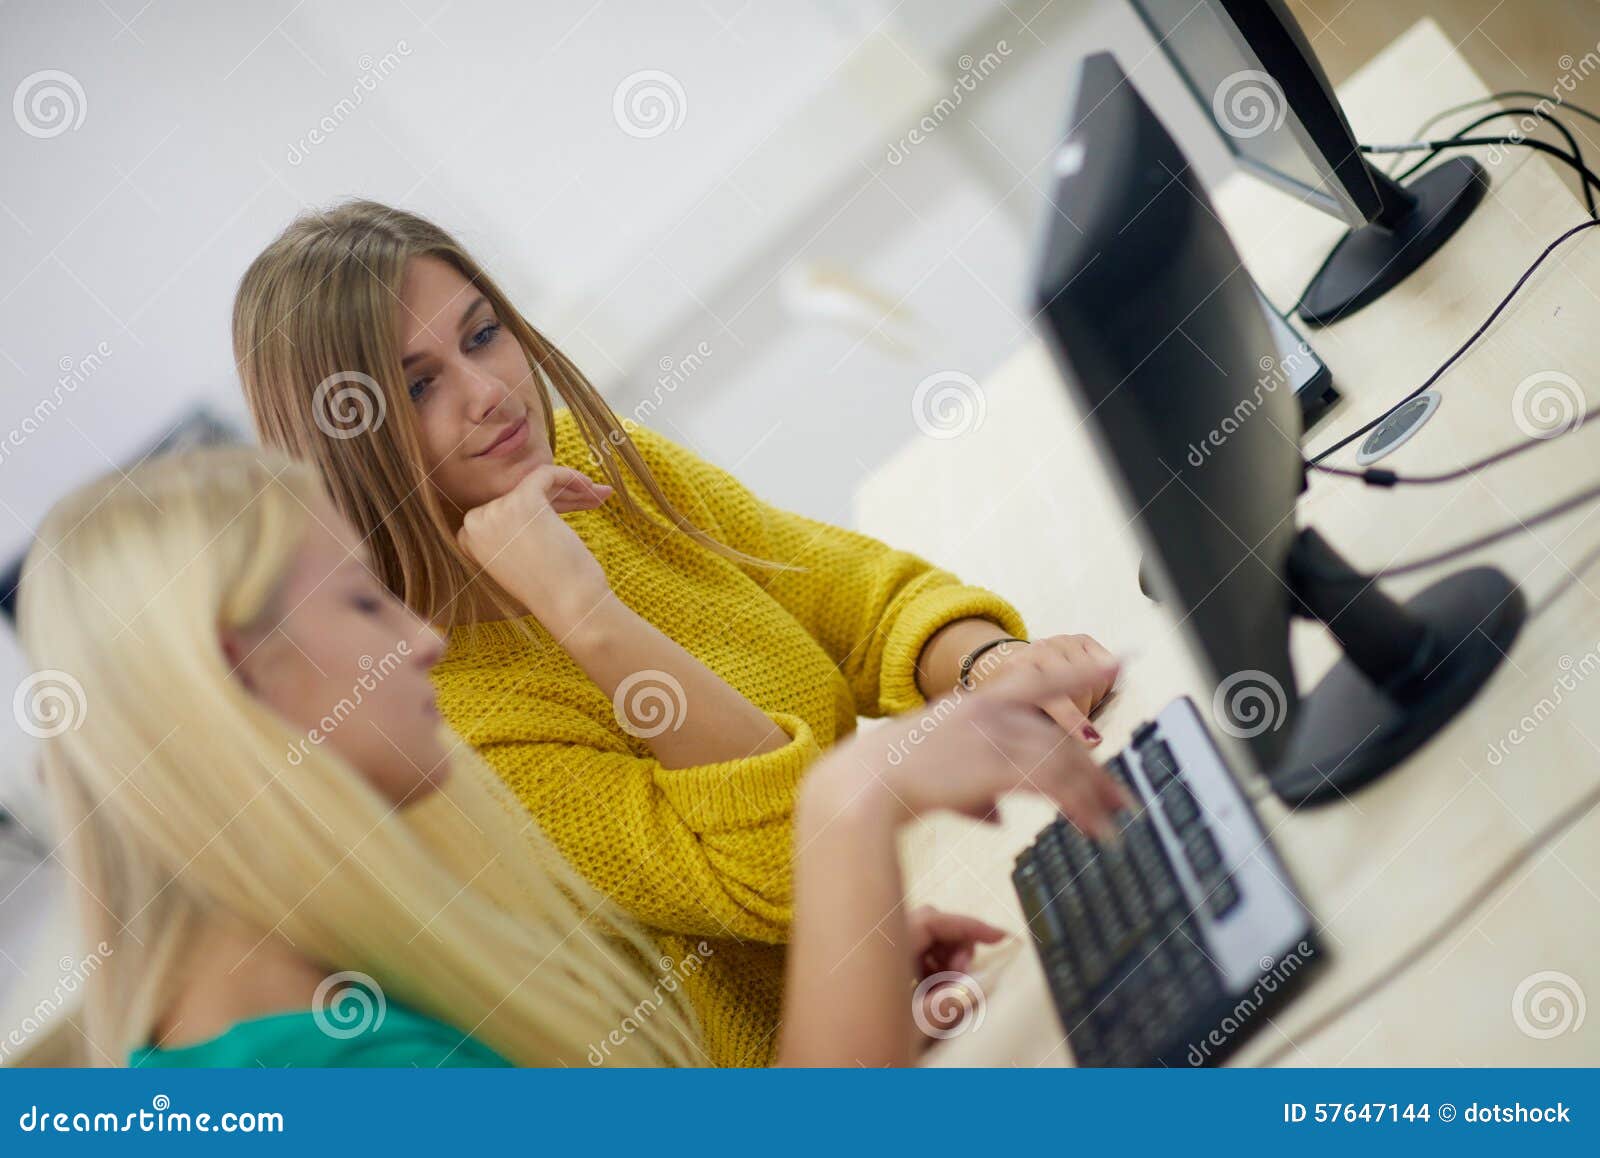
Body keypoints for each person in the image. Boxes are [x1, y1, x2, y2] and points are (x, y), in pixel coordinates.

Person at [232, 200, 1119, 1064]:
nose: (489, 393)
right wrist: (586, 616)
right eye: (420, 385)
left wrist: (988, 665)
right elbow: (793, 871)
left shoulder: (586, 460)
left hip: (894, 983)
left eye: (481, 335)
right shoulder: (445, 716)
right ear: (352, 445)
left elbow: (853, 598)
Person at [18, 447, 1127, 1067]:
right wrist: (850, 811)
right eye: (362, 602)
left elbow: (848, 589)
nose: (420, 640)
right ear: (239, 674)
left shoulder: (314, 996)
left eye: (485, 333)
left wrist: (859, 977)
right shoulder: (348, 1078)